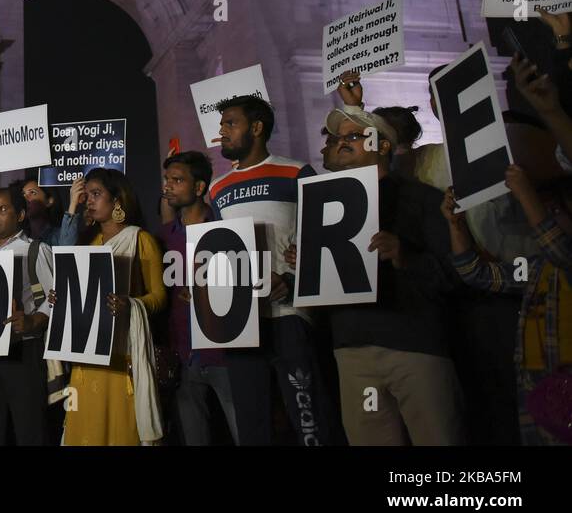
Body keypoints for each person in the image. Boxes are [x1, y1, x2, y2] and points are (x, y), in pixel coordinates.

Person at [317, 105, 465, 445]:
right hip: (352, 351)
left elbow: (456, 273)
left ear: (383, 145)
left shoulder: (423, 198)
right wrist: (305, 269)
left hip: (414, 346)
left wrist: (404, 257)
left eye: (353, 136)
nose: (341, 143)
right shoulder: (321, 209)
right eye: (336, 138)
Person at [208, 95, 339, 446]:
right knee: (252, 426)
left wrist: (295, 280)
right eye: (222, 125)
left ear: (256, 127)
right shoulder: (216, 189)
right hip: (240, 322)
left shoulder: (297, 172)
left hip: (290, 314)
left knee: (309, 418)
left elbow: (322, 240)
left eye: (229, 124)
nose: (222, 132)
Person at [444, 165, 572, 444]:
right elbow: (477, 274)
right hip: (539, 391)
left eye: (556, 212)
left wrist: (526, 193)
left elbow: (562, 251)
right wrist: (457, 225)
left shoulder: (561, 261)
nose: (547, 218)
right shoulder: (539, 269)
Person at [53, 168, 166, 445]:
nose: (89, 201)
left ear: (117, 200)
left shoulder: (140, 240)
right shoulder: (87, 243)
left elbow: (159, 297)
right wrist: (63, 299)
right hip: (86, 357)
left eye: (96, 194)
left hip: (120, 355)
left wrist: (131, 305)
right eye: (87, 195)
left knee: (118, 429)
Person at [159, 151, 239, 445]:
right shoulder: (166, 236)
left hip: (224, 354)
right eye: (167, 179)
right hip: (183, 357)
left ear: (200, 187)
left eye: (177, 180)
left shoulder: (227, 228)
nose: (168, 186)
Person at [0, 186, 52, 446]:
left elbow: (53, 300)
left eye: (3, 209)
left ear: (21, 215)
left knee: (29, 430)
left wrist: (31, 321)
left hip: (23, 352)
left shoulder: (35, 249)